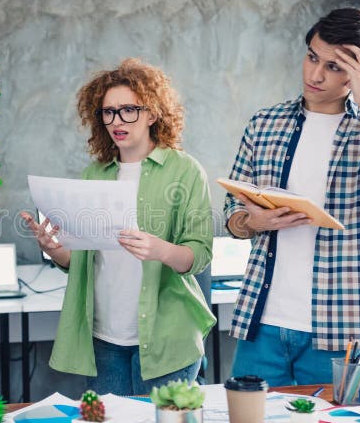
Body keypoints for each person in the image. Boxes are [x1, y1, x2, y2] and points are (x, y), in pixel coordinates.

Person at [224, 8, 360, 386]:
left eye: (335, 67)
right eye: (312, 57)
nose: (315, 74)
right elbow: (232, 213)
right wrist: (250, 221)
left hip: (341, 332)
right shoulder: (264, 123)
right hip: (262, 323)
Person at [21, 58, 215, 395]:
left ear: (152, 113)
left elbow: (199, 255)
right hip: (104, 341)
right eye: (108, 112)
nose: (116, 121)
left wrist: (160, 249)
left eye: (128, 110)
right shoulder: (94, 174)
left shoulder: (184, 171)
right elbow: (80, 260)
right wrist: (54, 249)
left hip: (167, 340)